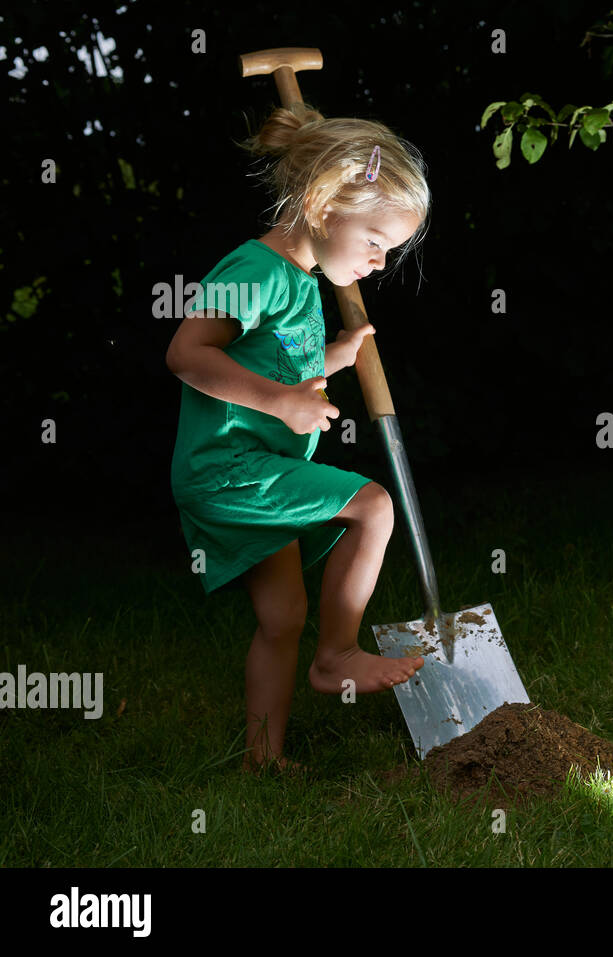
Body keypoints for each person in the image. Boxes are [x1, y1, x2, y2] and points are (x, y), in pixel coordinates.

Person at [165, 102, 429, 772]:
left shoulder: (300, 278)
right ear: (325, 202)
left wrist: (333, 359)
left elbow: (277, 360)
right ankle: (336, 653)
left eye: (390, 250)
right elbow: (187, 352)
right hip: (232, 467)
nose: (380, 258)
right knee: (372, 506)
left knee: (282, 616)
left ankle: (263, 758)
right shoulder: (256, 270)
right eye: (375, 238)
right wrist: (283, 402)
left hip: (257, 467)